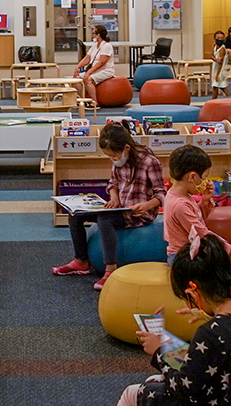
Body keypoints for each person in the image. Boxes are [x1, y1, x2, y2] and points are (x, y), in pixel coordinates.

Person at [113, 234, 231, 406]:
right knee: (154, 380)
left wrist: (159, 352)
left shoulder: (209, 334)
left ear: (192, 293)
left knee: (132, 394)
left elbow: (184, 387)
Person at [52, 123, 166, 290]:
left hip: (139, 213)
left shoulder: (150, 162)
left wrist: (147, 205)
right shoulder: (118, 160)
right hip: (120, 209)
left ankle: (111, 268)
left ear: (126, 148)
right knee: (76, 214)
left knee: (105, 219)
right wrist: (114, 197)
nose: (113, 159)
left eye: (113, 155)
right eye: (109, 156)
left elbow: (162, 194)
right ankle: (81, 261)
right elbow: (113, 183)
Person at [164, 145, 231, 278]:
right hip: (183, 257)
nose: (205, 181)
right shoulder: (180, 205)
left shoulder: (179, 195)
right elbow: (202, 234)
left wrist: (205, 201)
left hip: (190, 252)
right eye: (204, 177)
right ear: (192, 177)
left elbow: (196, 218)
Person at [73, 25, 115, 104]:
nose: (92, 35)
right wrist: (78, 66)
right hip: (94, 70)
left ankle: (94, 102)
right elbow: (87, 58)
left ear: (98, 35)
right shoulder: (94, 46)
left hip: (105, 71)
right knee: (77, 79)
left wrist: (88, 72)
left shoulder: (106, 46)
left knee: (88, 79)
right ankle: (82, 100)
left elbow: (101, 62)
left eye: (93, 33)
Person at [211, 31, 231, 99]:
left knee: (218, 85)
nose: (219, 40)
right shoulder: (214, 46)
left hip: (221, 70)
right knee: (217, 86)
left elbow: (220, 63)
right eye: (218, 38)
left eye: (221, 38)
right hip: (215, 69)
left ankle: (213, 100)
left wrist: (217, 74)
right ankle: (214, 100)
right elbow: (211, 55)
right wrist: (216, 59)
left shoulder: (222, 49)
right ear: (214, 38)